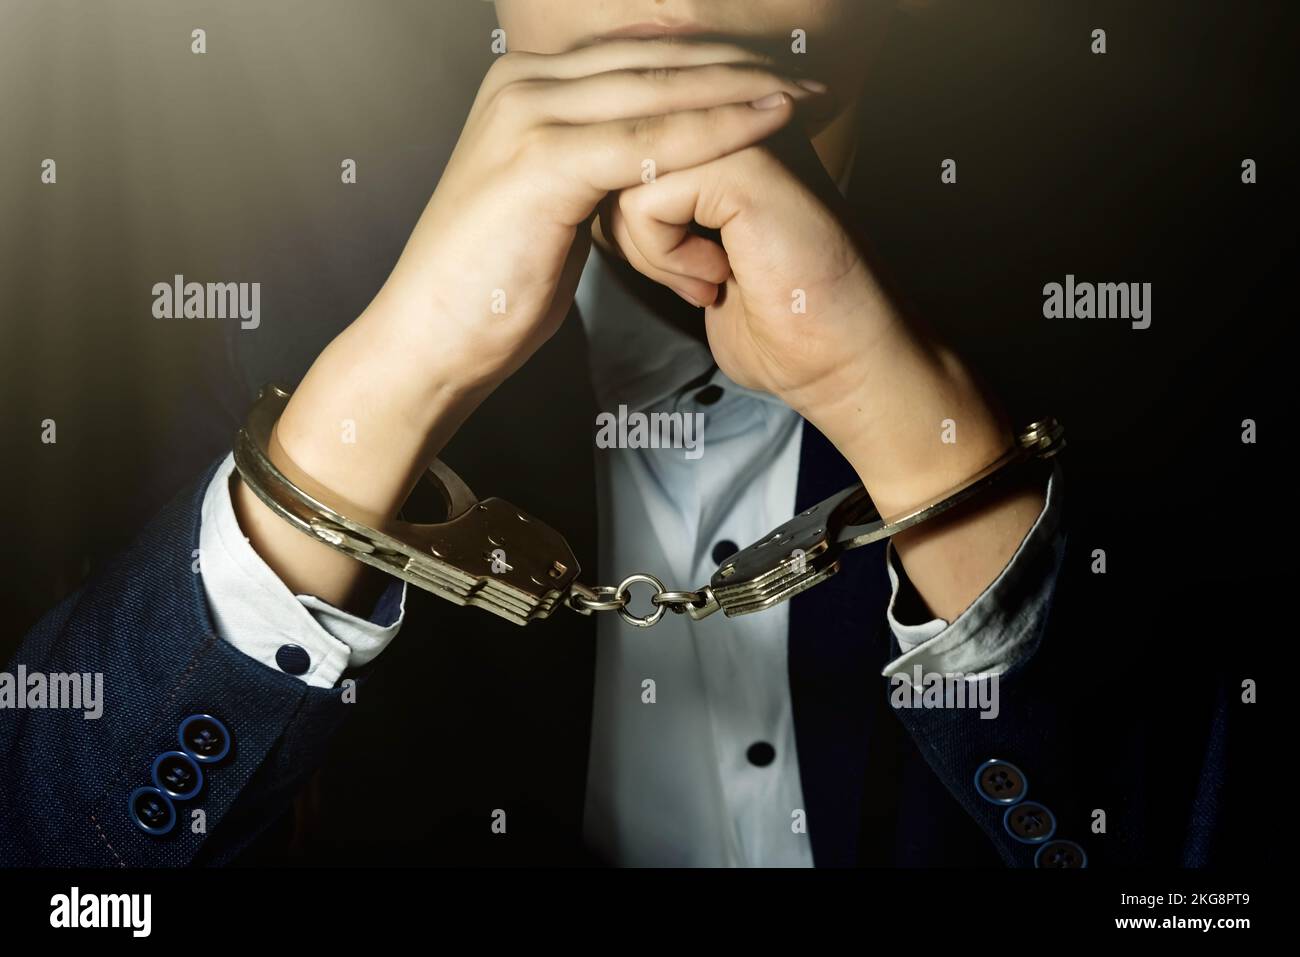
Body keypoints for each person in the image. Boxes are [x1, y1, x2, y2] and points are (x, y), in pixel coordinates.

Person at [0, 0, 1232, 867]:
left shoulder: (1162, 295)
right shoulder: (286, 298)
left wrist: (909, 418)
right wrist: (392, 381)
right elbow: (61, 866)